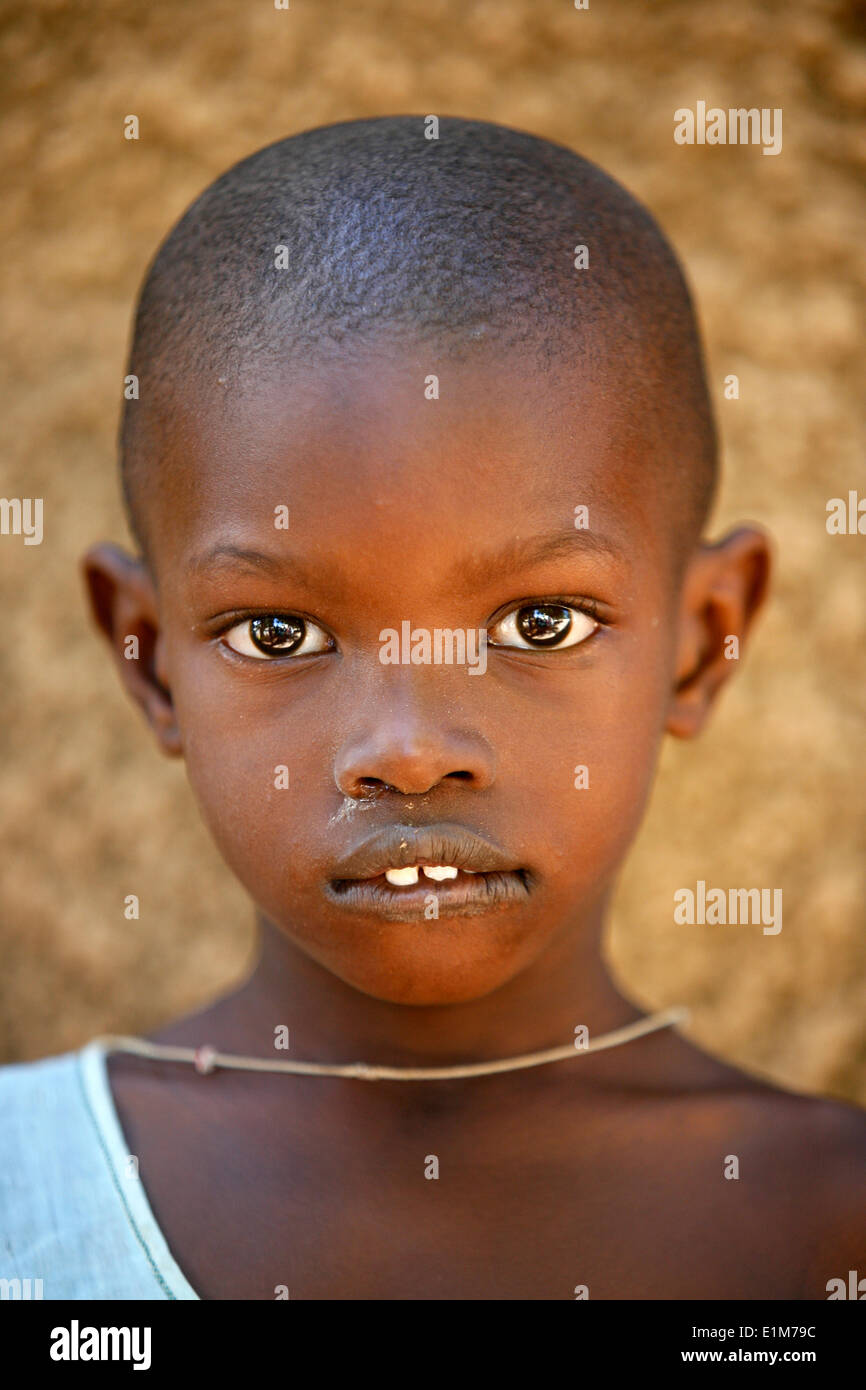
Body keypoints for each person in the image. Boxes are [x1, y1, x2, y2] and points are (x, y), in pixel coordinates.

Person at [1, 115, 863, 1301]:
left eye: (540, 624)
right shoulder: (22, 1191)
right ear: (148, 662)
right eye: (277, 633)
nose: (405, 749)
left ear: (703, 641)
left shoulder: (827, 1224)